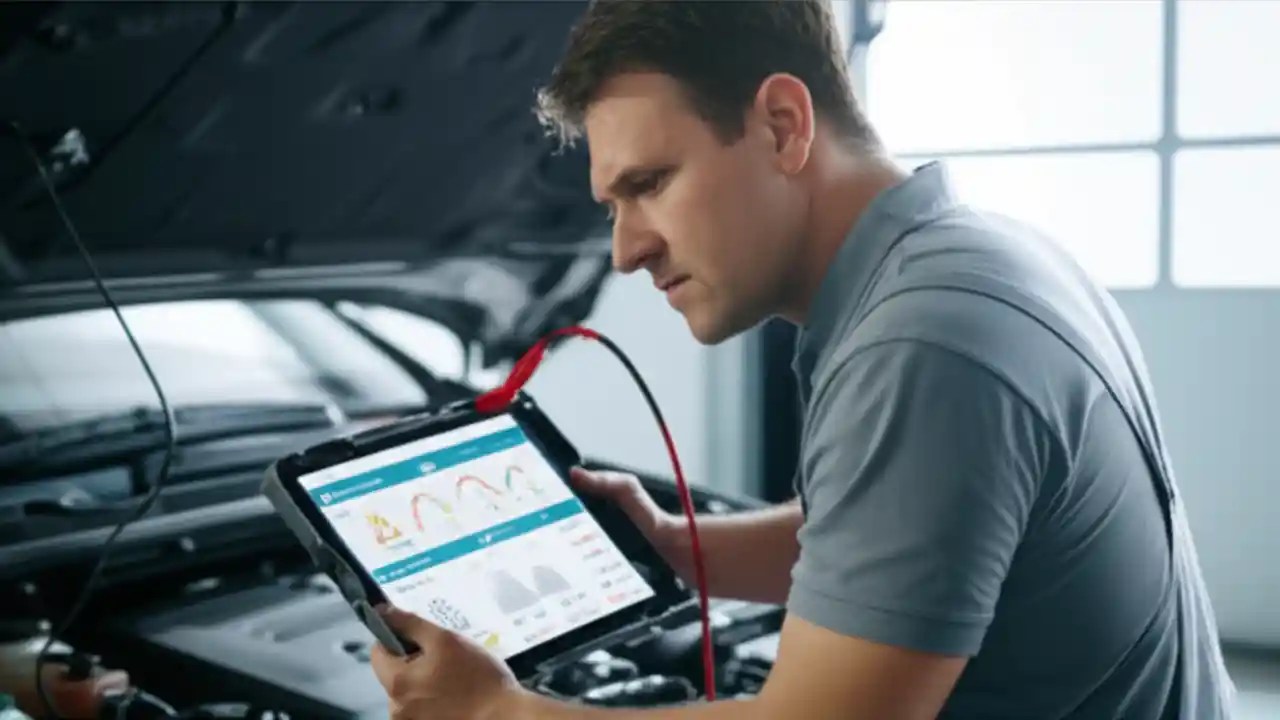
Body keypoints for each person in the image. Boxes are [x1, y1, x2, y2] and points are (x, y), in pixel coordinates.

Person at [369, 1, 1237, 718]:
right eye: (611, 206)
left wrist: (499, 712)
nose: (626, 251)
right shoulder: (976, 258)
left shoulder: (922, 342)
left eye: (650, 184)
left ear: (783, 126)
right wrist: (674, 549)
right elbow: (891, 538)